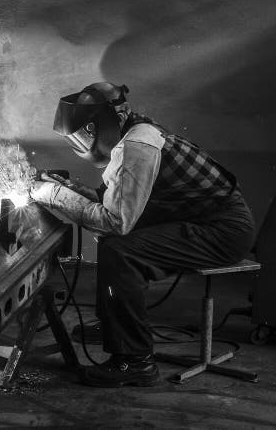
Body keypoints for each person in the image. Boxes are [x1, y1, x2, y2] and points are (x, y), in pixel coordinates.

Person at [30, 82, 255, 387]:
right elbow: (123, 199)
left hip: (222, 231)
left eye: (84, 135)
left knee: (120, 251)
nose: (82, 144)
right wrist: (78, 192)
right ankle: (115, 326)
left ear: (103, 123)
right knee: (114, 245)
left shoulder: (137, 147)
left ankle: (135, 361)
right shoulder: (134, 132)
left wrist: (54, 195)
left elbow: (115, 221)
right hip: (201, 219)